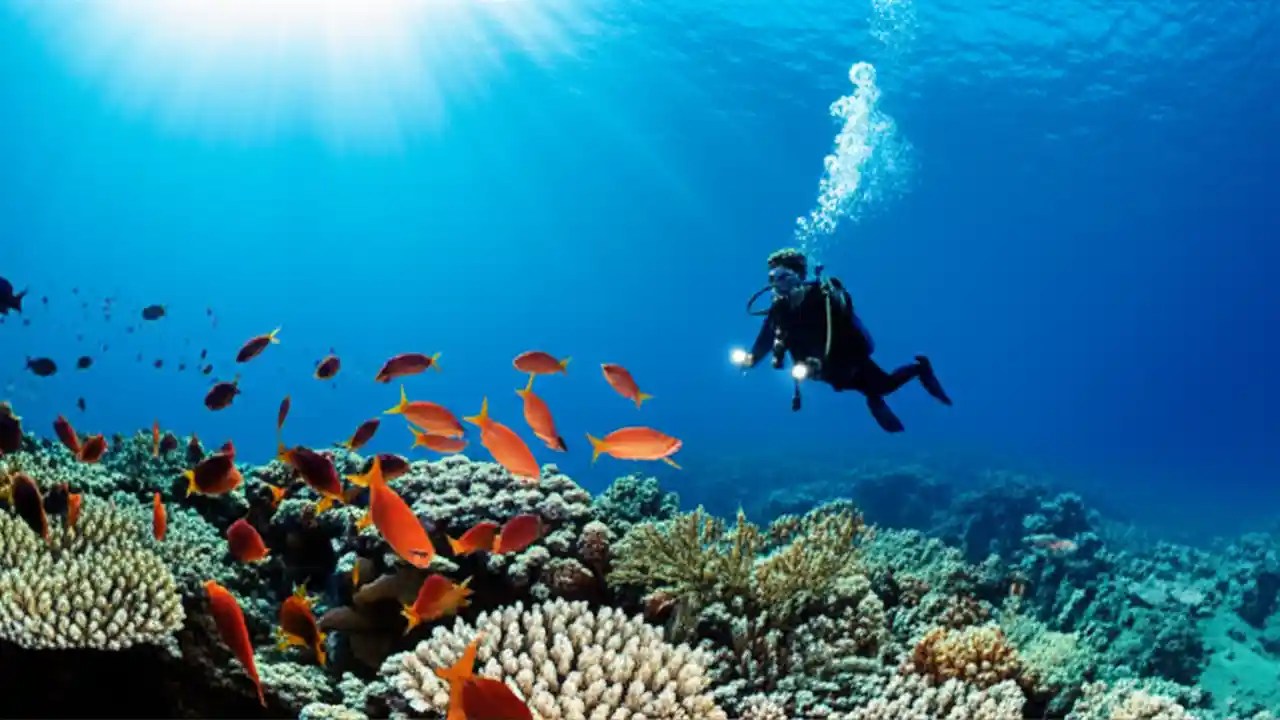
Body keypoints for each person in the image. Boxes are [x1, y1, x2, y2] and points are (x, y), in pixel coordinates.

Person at [733, 248, 951, 432]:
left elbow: (844, 323)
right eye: (773, 279)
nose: (778, 286)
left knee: (883, 386)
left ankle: (920, 369)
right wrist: (751, 359)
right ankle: (873, 396)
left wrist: (835, 294)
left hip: (850, 362)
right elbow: (766, 339)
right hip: (823, 372)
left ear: (798, 275)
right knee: (855, 386)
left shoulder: (823, 297)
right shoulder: (778, 310)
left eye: (783, 277)